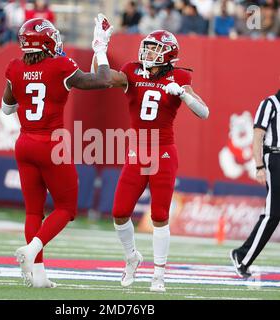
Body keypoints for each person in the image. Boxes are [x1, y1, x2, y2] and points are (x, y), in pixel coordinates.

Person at [92, 29, 209, 292]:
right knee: (120, 213)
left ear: (168, 54)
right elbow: (105, 78)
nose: (147, 53)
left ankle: (159, 274)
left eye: (154, 48)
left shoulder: (179, 76)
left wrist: (183, 94)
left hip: (164, 152)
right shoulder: (132, 70)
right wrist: (100, 48)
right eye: (147, 47)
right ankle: (132, 257)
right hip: (136, 151)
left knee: (159, 215)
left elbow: (204, 112)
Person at [1, 15, 113, 288]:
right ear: (47, 41)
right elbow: (103, 80)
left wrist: (26, 91)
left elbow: (6, 108)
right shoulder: (60, 65)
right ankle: (32, 249)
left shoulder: (15, 67)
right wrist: (100, 48)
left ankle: (38, 276)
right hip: (52, 144)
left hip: (25, 143)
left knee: (33, 212)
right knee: (66, 208)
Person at [230, 89, 280, 278]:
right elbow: (258, 135)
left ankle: (243, 255)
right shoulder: (270, 104)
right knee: (272, 213)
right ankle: (242, 256)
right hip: (274, 157)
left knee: (274, 213)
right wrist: (259, 166)